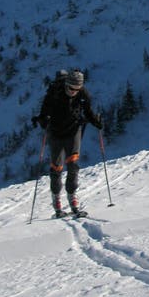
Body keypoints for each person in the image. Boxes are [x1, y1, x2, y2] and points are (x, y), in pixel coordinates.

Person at [33, 69, 103, 217]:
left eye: (77, 89)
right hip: (56, 132)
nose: (74, 92)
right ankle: (56, 201)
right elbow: (44, 112)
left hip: (73, 131)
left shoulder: (83, 94)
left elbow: (88, 111)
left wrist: (95, 121)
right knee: (56, 167)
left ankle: (72, 198)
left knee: (73, 164)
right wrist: (43, 120)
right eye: (71, 88)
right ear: (66, 84)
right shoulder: (54, 93)